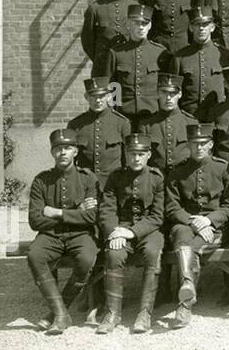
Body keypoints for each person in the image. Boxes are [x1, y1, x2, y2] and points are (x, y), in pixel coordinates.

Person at [26, 129, 100, 334]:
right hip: (51, 235)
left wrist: (56, 213)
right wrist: (75, 214)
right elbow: (35, 220)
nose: (62, 153)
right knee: (35, 254)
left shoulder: (88, 179)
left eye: (67, 148)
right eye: (58, 149)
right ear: (52, 153)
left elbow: (91, 217)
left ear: (75, 152)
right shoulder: (42, 180)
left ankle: (56, 314)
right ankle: (61, 314)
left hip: (81, 235)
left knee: (87, 258)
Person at [96, 133, 165, 335]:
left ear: (148, 155)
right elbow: (107, 210)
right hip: (120, 228)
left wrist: (132, 232)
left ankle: (145, 313)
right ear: (126, 154)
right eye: (132, 153)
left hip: (148, 230)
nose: (136, 158)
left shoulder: (156, 178)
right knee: (114, 254)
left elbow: (157, 216)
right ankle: (112, 313)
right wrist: (113, 232)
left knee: (153, 253)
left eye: (141, 154)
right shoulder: (116, 177)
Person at [164, 125, 229, 328]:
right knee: (181, 235)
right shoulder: (178, 170)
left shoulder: (222, 168)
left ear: (211, 144)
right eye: (195, 144)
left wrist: (209, 220)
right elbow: (171, 205)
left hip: (215, 227)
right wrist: (193, 221)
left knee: (188, 248)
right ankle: (187, 289)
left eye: (203, 143)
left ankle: (185, 304)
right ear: (189, 145)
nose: (199, 147)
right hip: (186, 224)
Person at [102, 3, 171, 122]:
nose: (141, 27)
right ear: (128, 25)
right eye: (136, 23)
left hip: (152, 114)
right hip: (124, 115)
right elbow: (112, 85)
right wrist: (114, 112)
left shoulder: (159, 52)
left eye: (144, 23)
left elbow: (165, 85)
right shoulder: (116, 52)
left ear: (150, 26)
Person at [68, 77, 131, 185]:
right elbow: (70, 159)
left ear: (109, 96)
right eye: (93, 96)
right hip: (84, 183)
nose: (97, 100)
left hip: (113, 183)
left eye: (101, 96)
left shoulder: (121, 123)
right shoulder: (75, 124)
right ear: (87, 97)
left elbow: (128, 158)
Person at [170, 6, 225, 120]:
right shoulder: (180, 57)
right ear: (190, 27)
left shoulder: (224, 55)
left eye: (205, 25)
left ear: (212, 27)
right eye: (197, 25)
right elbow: (173, 92)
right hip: (189, 117)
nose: (201, 28)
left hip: (217, 117)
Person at [138, 72, 196, 172]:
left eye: (172, 93)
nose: (168, 98)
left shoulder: (191, 123)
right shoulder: (146, 125)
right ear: (157, 94)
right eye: (164, 93)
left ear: (180, 94)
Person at [81, 0, 131, 73]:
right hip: (103, 68)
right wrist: (100, 60)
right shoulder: (96, 8)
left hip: (127, 67)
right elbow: (87, 41)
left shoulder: (135, 6)